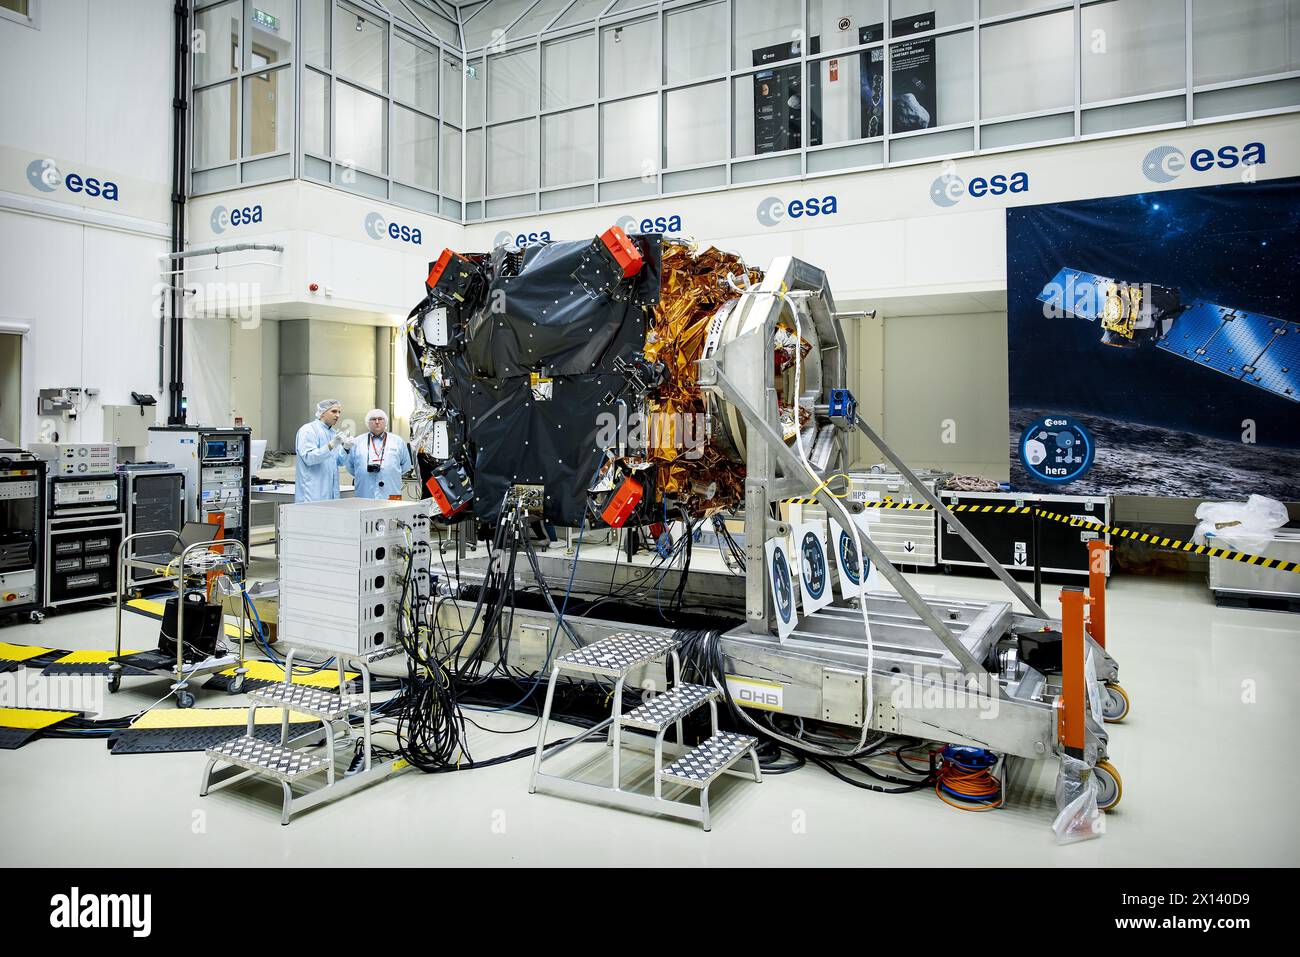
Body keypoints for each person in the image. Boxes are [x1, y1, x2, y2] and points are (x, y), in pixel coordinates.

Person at [345, 408, 412, 500]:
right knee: (365, 512)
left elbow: (406, 466)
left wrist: (389, 473)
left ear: (386, 422)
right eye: (373, 419)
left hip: (391, 490)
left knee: (391, 513)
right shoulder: (357, 442)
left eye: (380, 419)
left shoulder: (397, 441)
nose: (377, 422)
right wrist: (364, 473)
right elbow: (350, 467)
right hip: (365, 491)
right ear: (367, 423)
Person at [294, 399, 351, 502]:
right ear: (322, 413)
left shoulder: (333, 433)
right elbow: (309, 458)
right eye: (333, 411)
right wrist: (330, 445)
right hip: (311, 494)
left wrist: (346, 448)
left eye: (339, 412)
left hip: (330, 493)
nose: (337, 415)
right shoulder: (308, 430)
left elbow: (339, 461)